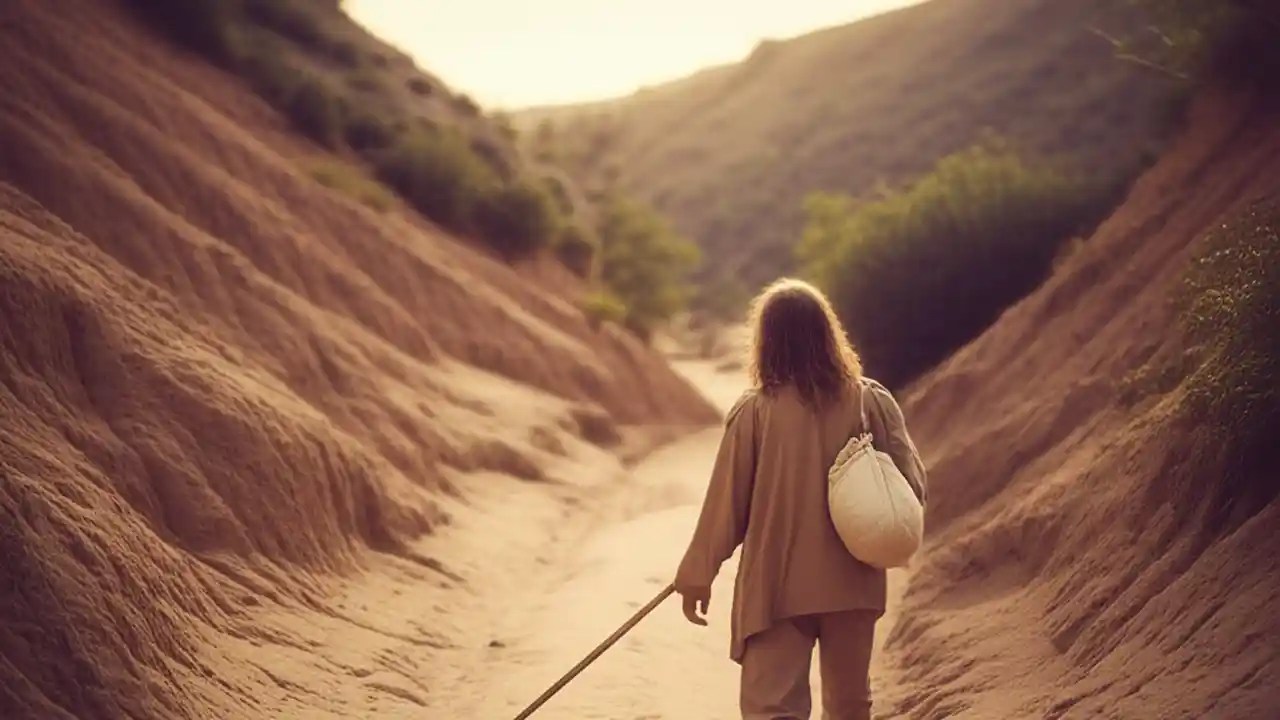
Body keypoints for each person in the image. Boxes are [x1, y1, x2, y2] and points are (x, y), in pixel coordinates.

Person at [674, 278, 927, 720]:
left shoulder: (754, 413)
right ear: (827, 333)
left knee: (772, 708)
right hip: (853, 582)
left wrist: (698, 572)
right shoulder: (871, 401)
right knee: (849, 707)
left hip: (777, 586)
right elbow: (910, 487)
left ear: (767, 340)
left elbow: (726, 507)